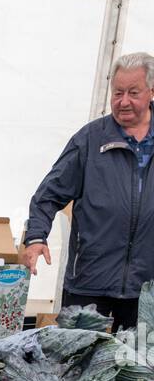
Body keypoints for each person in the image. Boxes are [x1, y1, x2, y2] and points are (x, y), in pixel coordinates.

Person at [22, 51, 154, 331]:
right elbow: (49, 193)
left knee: (139, 369)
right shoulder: (90, 139)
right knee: (75, 365)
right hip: (89, 281)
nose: (124, 101)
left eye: (133, 92)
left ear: (151, 92)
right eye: (118, 93)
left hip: (147, 289)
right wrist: (35, 237)